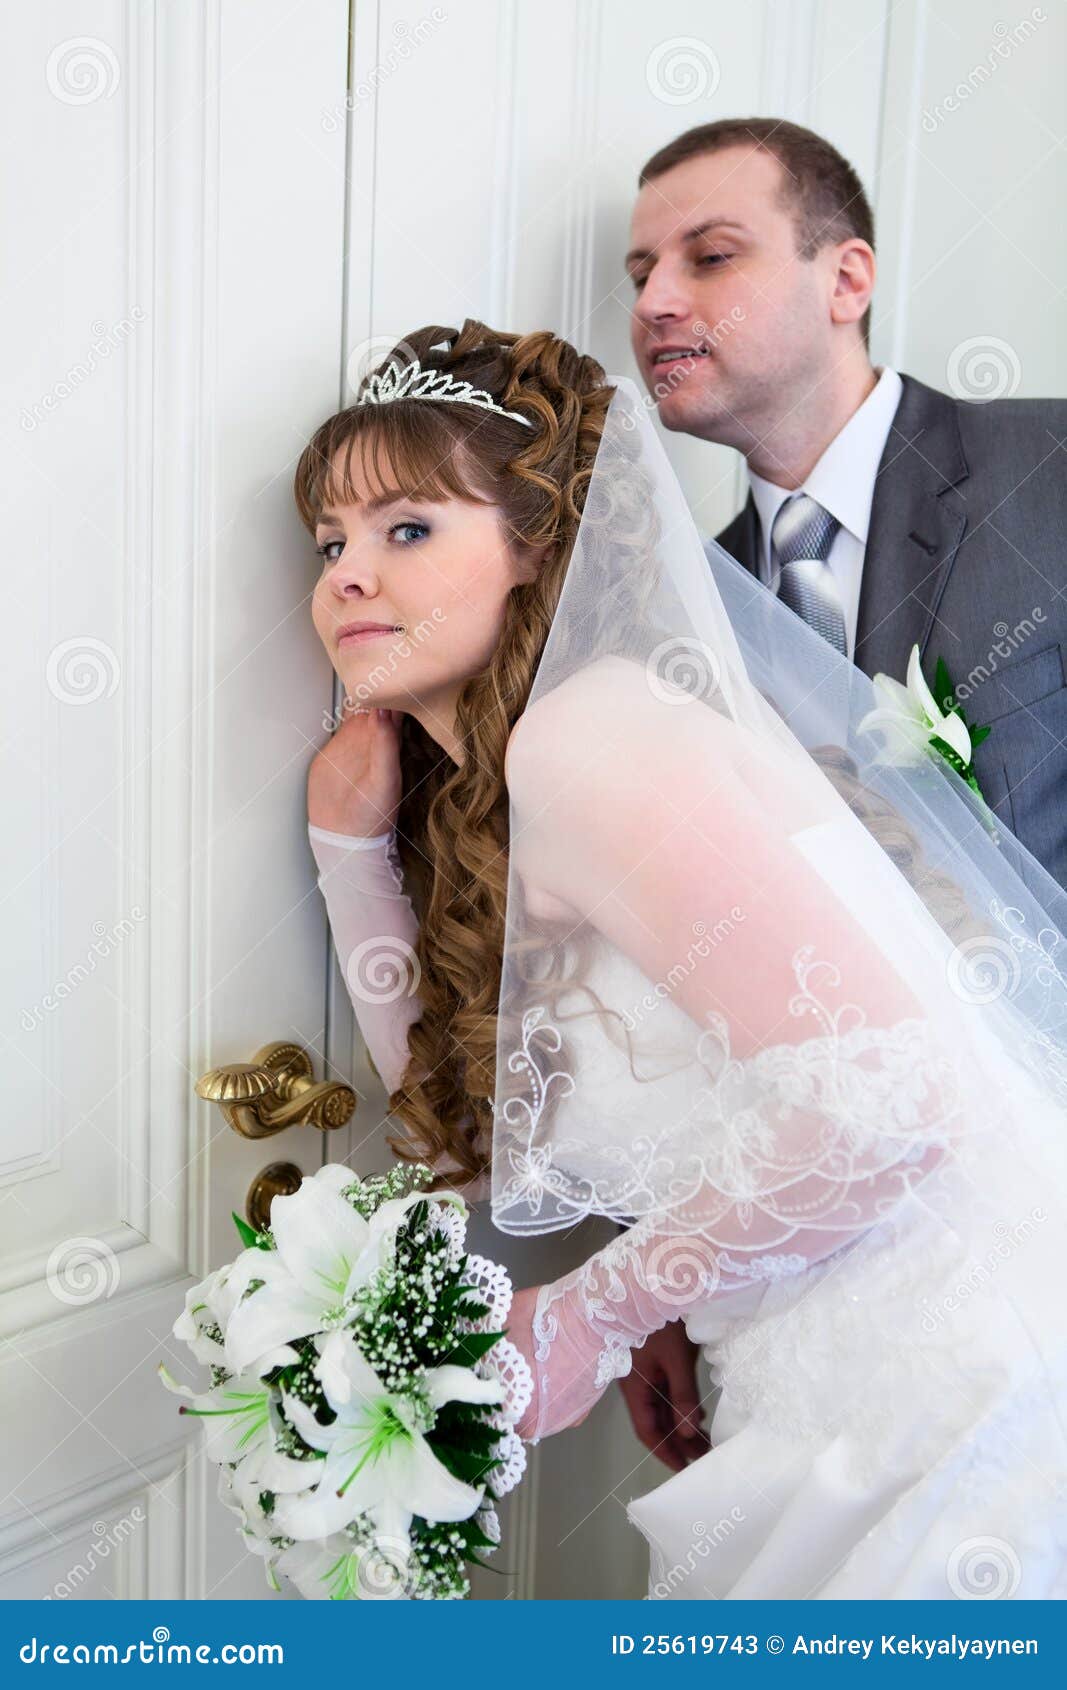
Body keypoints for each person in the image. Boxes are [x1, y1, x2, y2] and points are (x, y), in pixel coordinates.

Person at [295, 322, 1067, 1597]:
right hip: (809, 1368)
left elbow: (891, 1097)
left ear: (538, 544)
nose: (347, 577)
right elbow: (468, 1133)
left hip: (951, 1375)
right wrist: (348, 849)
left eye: (407, 529)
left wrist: (583, 1317)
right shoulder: (506, 795)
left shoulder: (590, 738)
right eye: (330, 543)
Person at [627, 117, 1067, 892]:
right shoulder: (682, 606)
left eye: (711, 256)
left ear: (845, 281)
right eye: (640, 275)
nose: (654, 301)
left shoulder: (1047, 468)